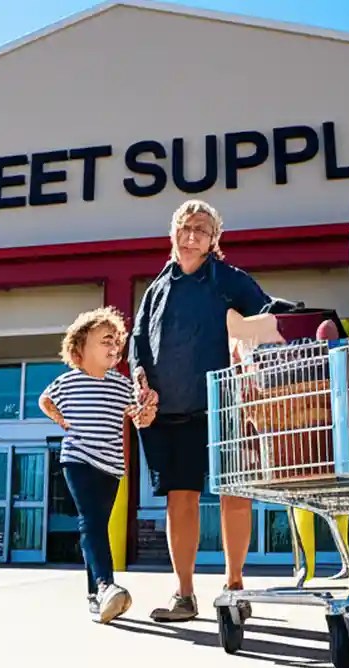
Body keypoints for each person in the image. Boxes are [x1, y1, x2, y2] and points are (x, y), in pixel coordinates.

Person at [129, 199, 281, 623]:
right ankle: (184, 595)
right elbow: (138, 341)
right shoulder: (157, 289)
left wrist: (256, 335)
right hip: (172, 412)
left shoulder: (231, 280)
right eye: (185, 227)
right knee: (181, 500)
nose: (192, 235)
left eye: (202, 229)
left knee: (235, 493)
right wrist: (141, 377)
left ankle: (234, 588)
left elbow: (267, 315)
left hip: (224, 407)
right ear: (173, 233)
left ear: (215, 239)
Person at [40, 306, 157, 623]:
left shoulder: (121, 385)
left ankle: (95, 596)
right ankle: (107, 584)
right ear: (81, 346)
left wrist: (145, 410)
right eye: (106, 340)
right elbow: (45, 400)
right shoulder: (67, 382)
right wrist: (61, 421)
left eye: (117, 342)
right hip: (77, 458)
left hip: (111, 466)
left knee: (97, 526)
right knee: (90, 520)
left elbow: (138, 417)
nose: (113, 347)